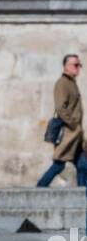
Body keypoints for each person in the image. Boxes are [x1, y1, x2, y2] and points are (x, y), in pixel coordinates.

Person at [37, 53, 87, 187]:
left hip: (76, 136)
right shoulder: (62, 83)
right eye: (75, 65)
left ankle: (82, 197)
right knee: (58, 165)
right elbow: (60, 108)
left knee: (83, 166)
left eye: (79, 65)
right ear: (66, 66)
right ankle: (39, 190)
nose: (78, 68)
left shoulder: (71, 83)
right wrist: (73, 124)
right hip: (68, 135)